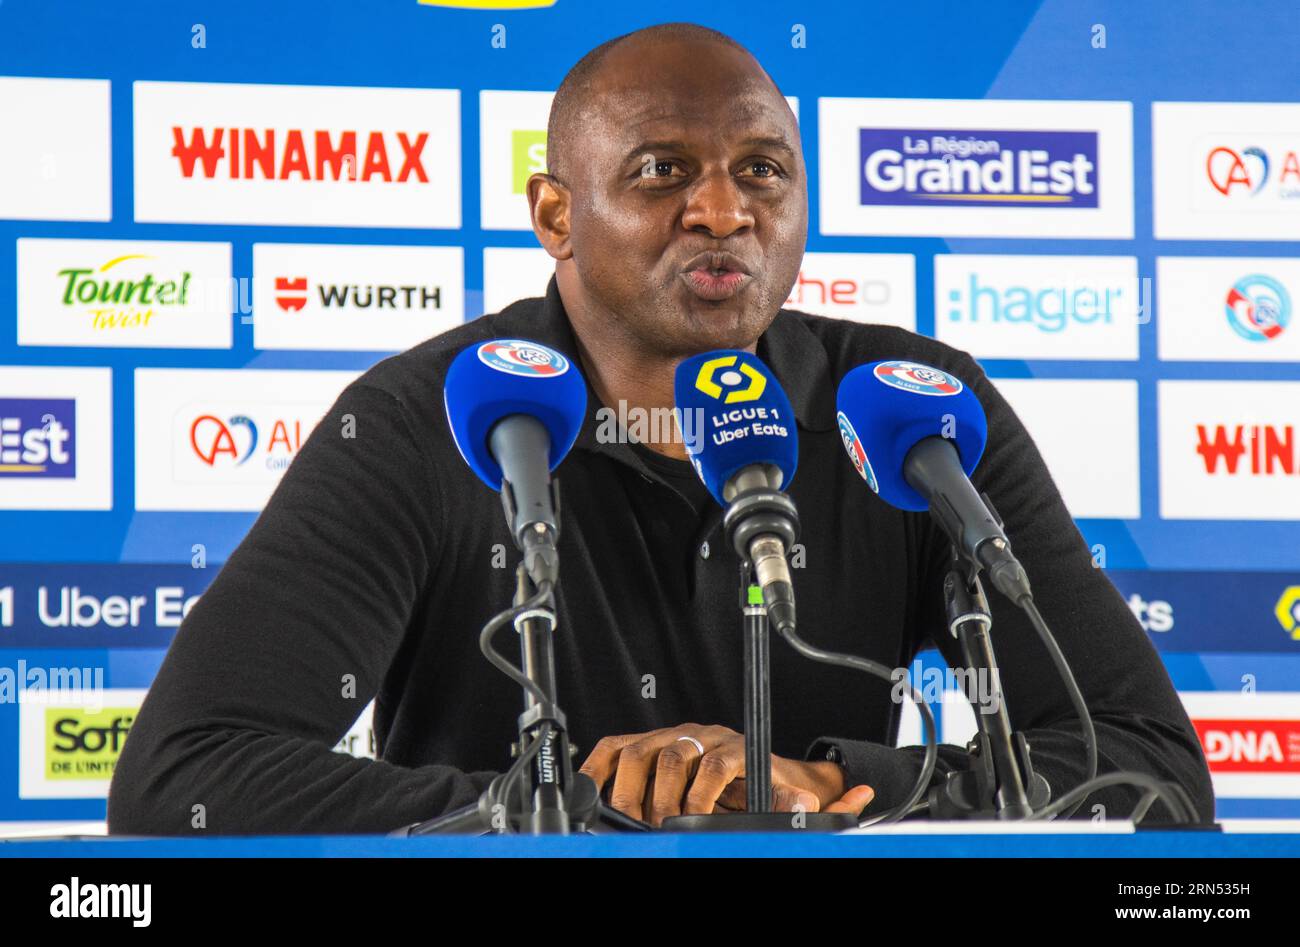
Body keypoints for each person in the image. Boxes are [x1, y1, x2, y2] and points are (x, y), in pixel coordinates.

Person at [108, 22, 1213, 834]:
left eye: (762, 172)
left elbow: (1152, 767)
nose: (725, 210)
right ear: (555, 216)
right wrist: (573, 803)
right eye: (661, 171)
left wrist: (825, 778)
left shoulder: (911, 407)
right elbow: (182, 778)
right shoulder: (423, 421)